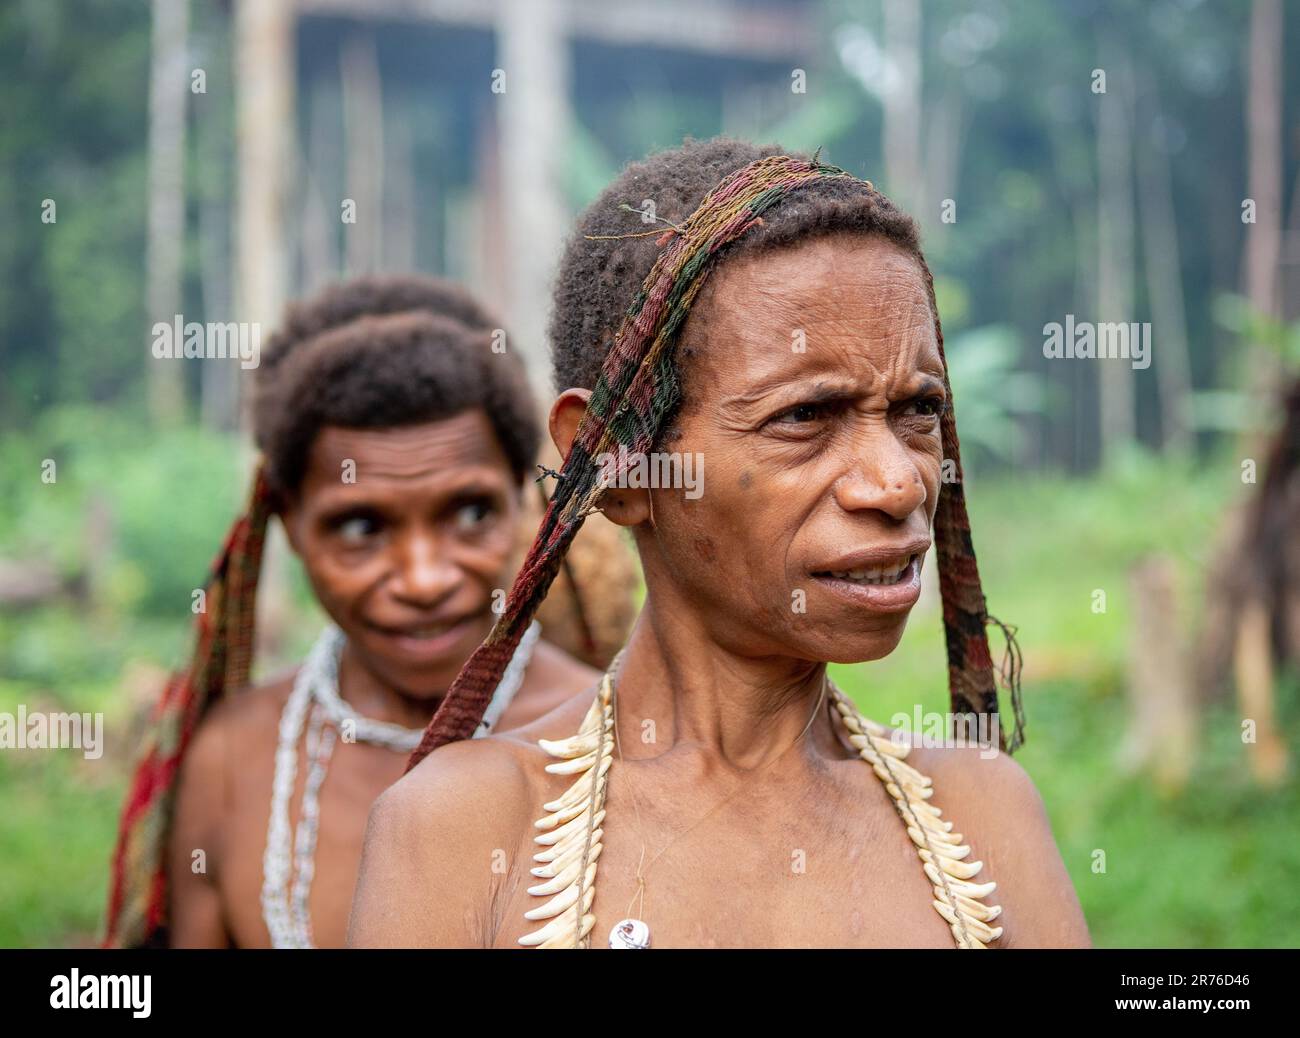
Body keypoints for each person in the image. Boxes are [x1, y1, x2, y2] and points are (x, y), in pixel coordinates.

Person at [349, 139, 1091, 949]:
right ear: (615, 464)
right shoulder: (464, 830)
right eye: (805, 417)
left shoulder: (982, 812)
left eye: (916, 410)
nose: (899, 483)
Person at [104, 276, 604, 948]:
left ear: (524, 501)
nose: (424, 578)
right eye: (362, 526)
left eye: (470, 512)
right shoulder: (233, 760)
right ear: (287, 523)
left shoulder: (613, 741)